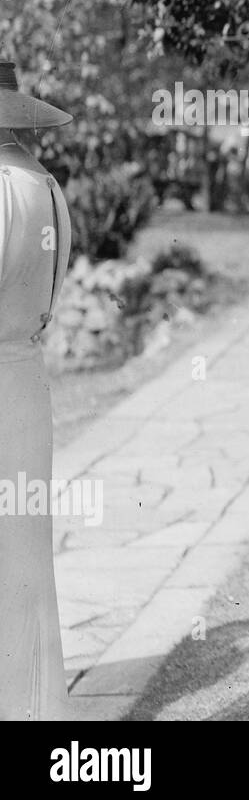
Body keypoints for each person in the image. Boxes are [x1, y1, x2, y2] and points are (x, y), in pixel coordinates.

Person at [0, 61, 74, 720]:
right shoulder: (43, 183)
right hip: (26, 373)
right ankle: (40, 705)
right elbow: (53, 285)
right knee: (23, 550)